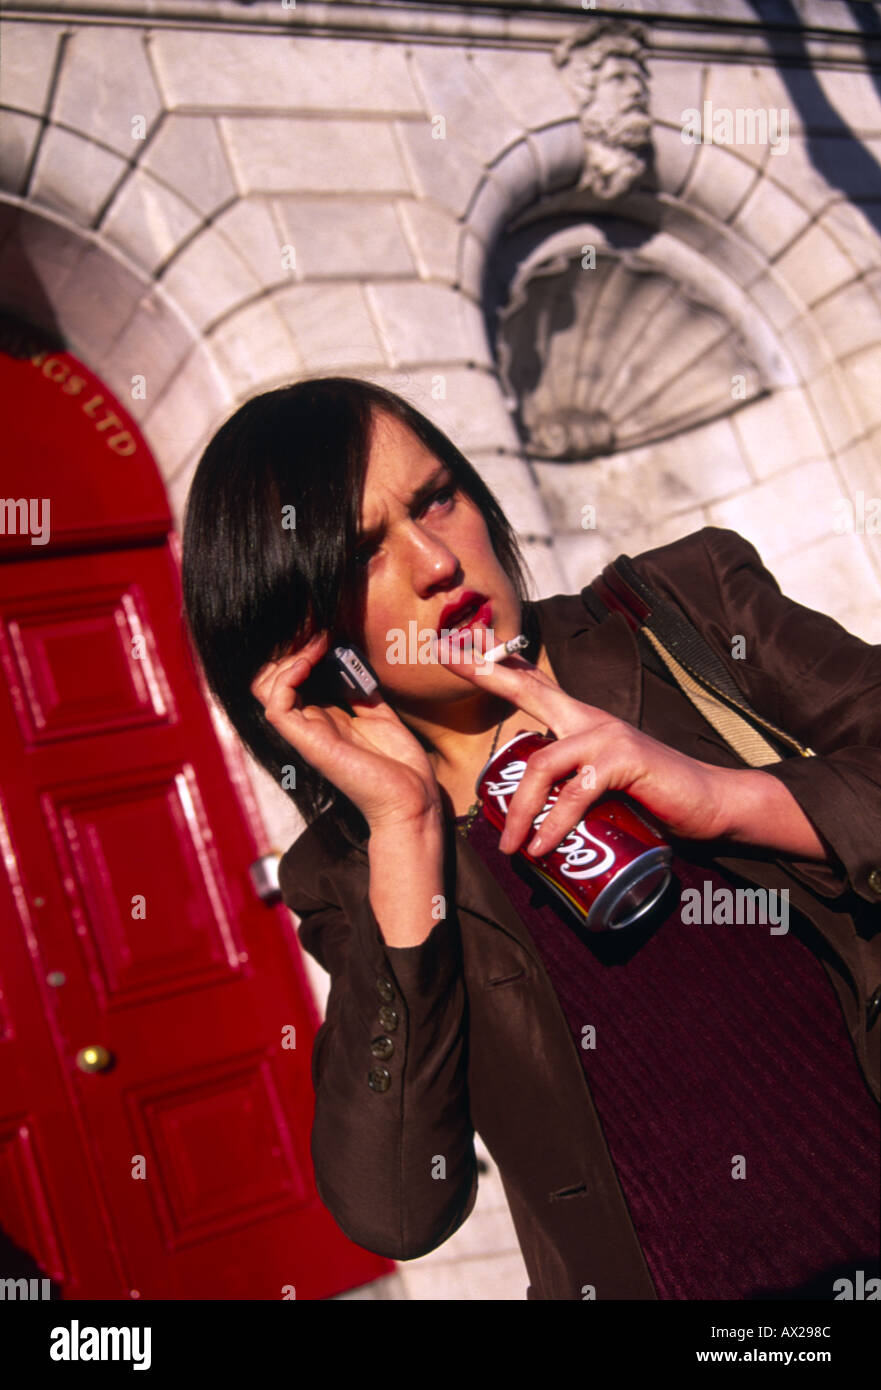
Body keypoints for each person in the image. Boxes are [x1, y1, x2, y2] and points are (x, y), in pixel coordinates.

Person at [181, 376, 881, 1301]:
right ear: (302, 629)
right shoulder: (350, 869)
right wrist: (404, 831)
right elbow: (395, 1208)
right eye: (361, 554)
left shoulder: (680, 611)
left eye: (437, 498)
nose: (436, 560)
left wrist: (724, 798)